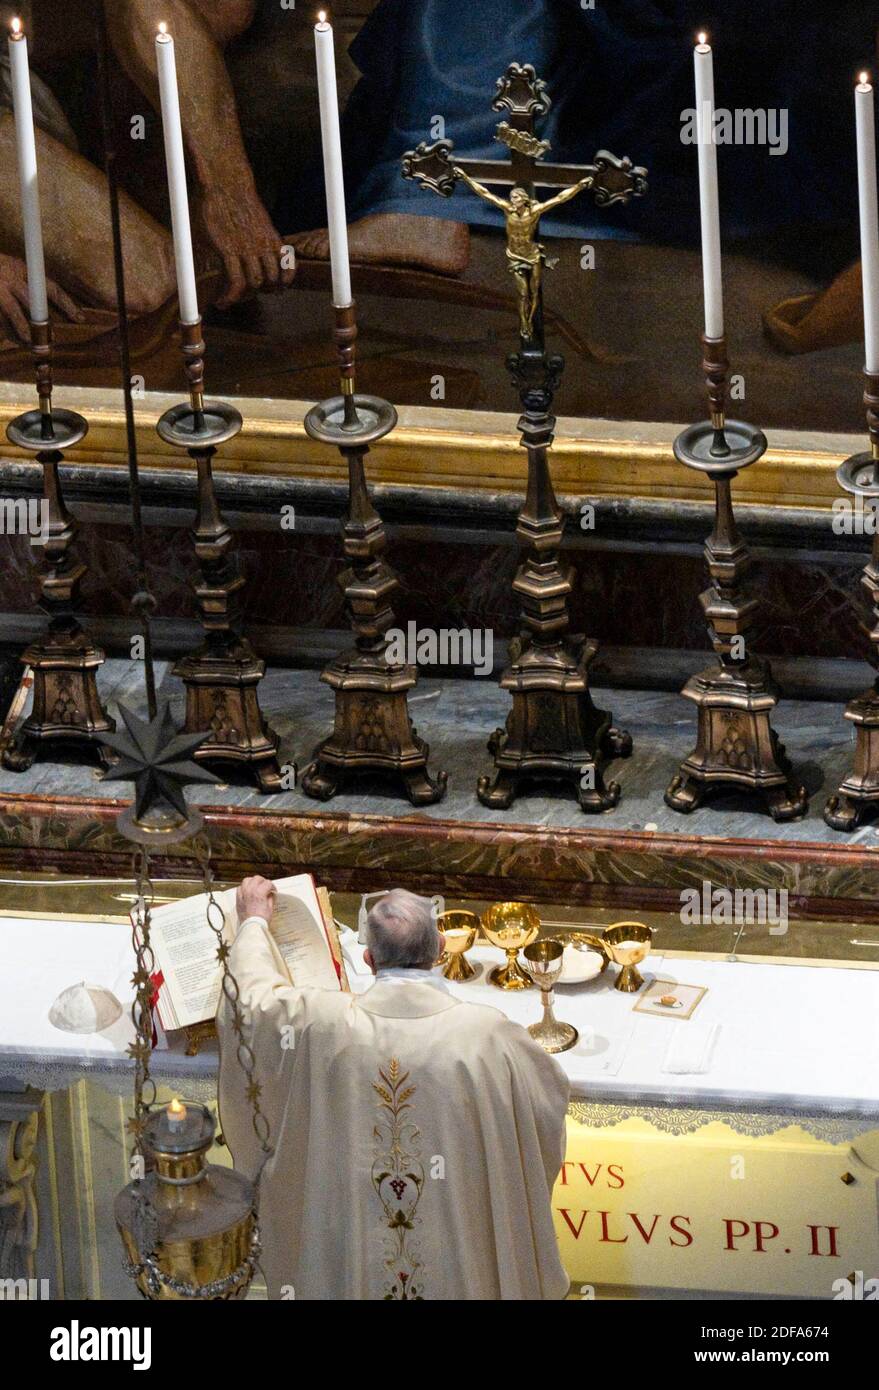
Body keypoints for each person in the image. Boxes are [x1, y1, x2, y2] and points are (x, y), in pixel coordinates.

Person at [218, 879, 571, 1300]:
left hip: (356, 1245)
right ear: (440, 948)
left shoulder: (323, 1023)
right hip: (457, 1249)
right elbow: (546, 1099)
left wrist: (254, 921)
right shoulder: (485, 1034)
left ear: (368, 959)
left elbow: (251, 1006)